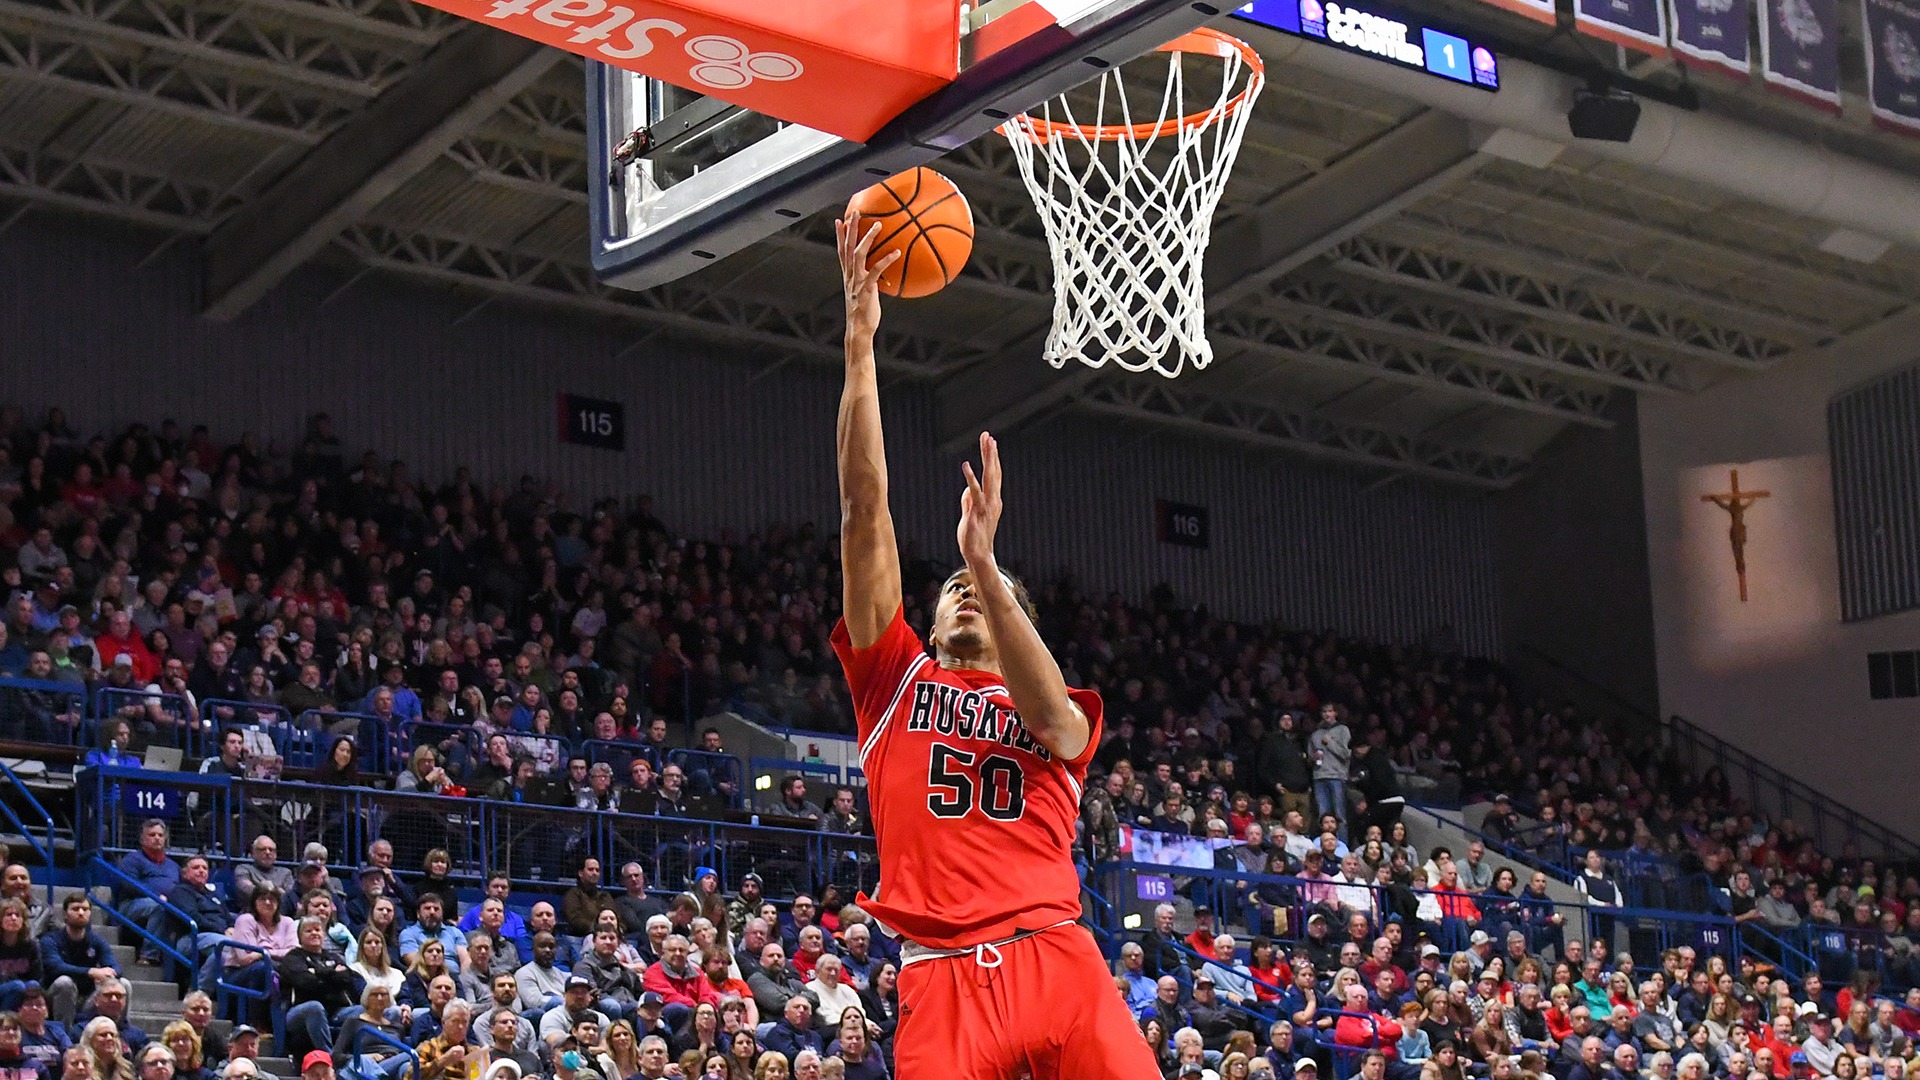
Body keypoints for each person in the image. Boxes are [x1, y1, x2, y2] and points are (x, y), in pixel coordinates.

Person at [828, 214, 1154, 1079]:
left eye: (991, 593)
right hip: (941, 978)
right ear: (930, 626)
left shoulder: (1053, 708)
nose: (969, 591)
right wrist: (861, 346)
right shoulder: (892, 680)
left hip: (1053, 954)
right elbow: (865, 510)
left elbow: (1056, 718)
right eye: (955, 590)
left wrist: (984, 560)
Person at [38, 896, 115, 1025]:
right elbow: (56, 967)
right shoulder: (50, 939)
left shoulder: (97, 941)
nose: (81, 912)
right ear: (65, 914)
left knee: (122, 984)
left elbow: (115, 967)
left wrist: (108, 974)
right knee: (65, 982)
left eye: (85, 909)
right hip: (55, 996)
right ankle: (64, 1037)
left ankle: (120, 1031)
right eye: (75, 909)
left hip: (88, 998)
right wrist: (90, 972)